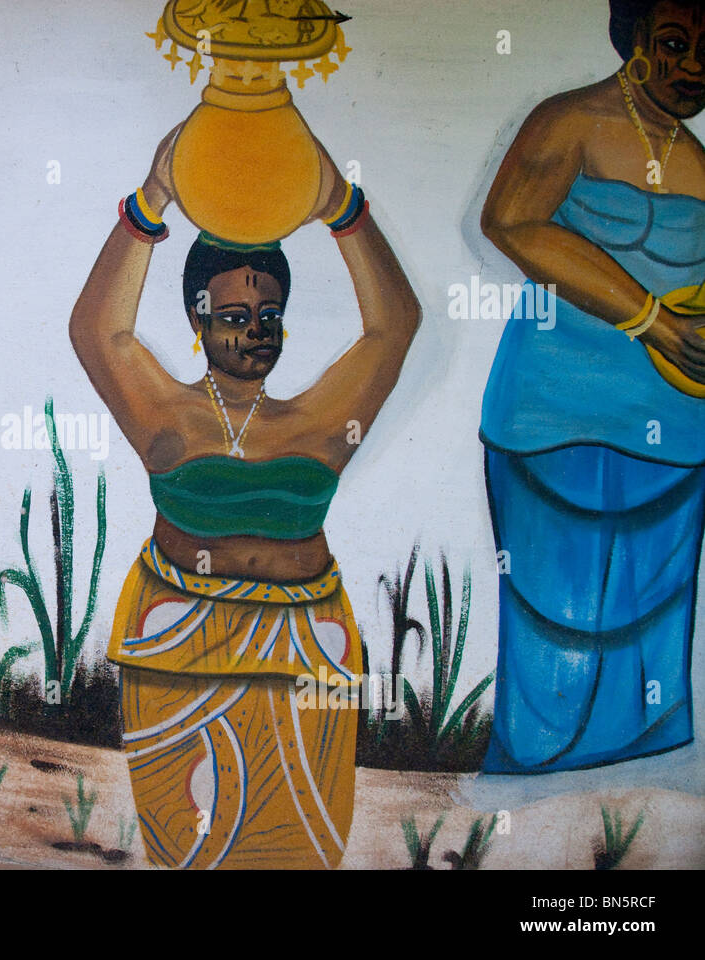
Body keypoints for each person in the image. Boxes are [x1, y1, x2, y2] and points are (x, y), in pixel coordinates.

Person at [70, 128, 420, 868]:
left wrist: (340, 205)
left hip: (308, 650)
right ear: (198, 322)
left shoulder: (321, 423)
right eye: (234, 317)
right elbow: (99, 329)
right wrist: (151, 199)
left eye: (270, 317)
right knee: (188, 835)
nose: (257, 333)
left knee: (301, 838)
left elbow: (394, 326)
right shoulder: (164, 416)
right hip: (178, 648)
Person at [479, 0, 705, 774]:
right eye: (674, 43)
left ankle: (639, 808)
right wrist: (651, 320)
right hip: (556, 420)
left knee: (654, 629)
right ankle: (533, 799)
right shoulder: (569, 121)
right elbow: (511, 222)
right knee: (555, 620)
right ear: (634, 37)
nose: (692, 65)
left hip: (674, 429)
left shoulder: (701, 161)